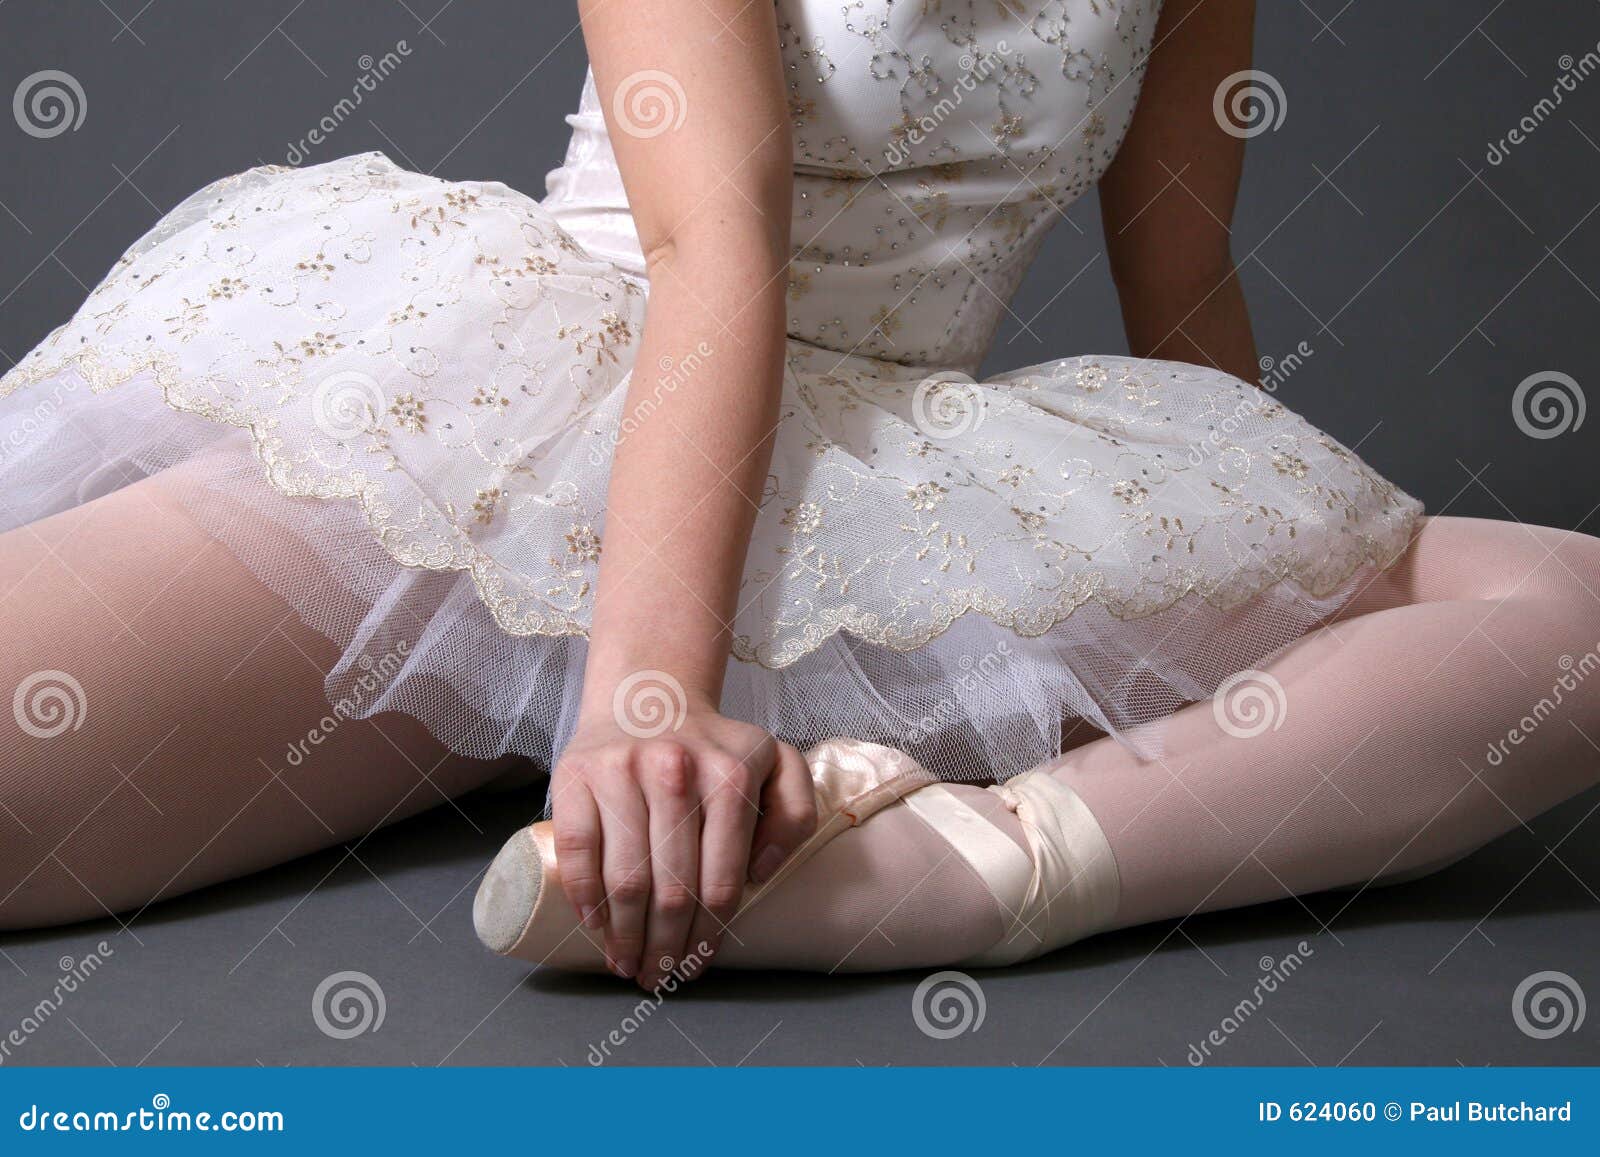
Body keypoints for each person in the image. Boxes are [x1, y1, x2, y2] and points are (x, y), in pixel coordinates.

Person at [3, 1, 1597, 992]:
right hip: (541, 431)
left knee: (1571, 619)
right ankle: (640, 771)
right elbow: (719, 242)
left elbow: (1185, 287)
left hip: (884, 501)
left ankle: (951, 875)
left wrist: (1255, 562)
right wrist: (644, 701)